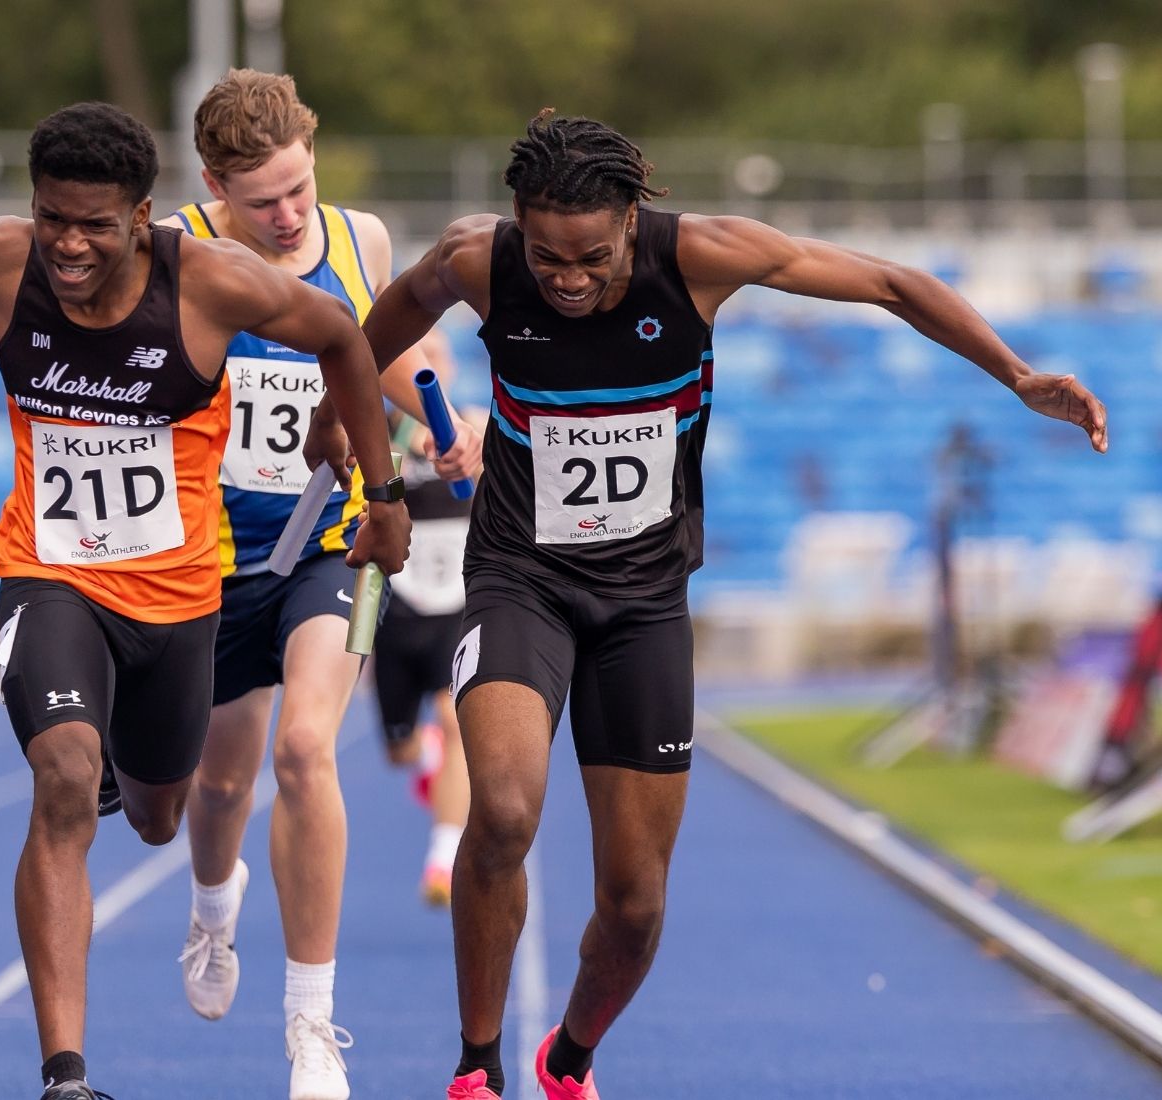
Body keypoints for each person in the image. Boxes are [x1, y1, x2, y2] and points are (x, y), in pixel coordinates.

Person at [357, 110, 1108, 1100]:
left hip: (642, 602)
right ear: (514, 227)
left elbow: (890, 283)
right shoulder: (473, 263)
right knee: (498, 808)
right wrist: (396, 444)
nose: (567, 279)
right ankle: (475, 1064)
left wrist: (1015, 374)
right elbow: (356, 344)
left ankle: (568, 1054)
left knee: (633, 903)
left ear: (634, 220)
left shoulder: (705, 257)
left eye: (590, 257)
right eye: (546, 257)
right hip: (518, 577)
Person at [0, 101, 410, 1100]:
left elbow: (342, 335)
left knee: (160, 814)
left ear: (141, 214)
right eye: (51, 218)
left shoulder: (208, 282)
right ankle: (65, 1074)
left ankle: (143, 786)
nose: (68, 244)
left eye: (93, 224)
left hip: (178, 592)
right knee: (65, 779)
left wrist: (384, 490)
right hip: (50, 572)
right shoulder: (2, 262)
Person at [161, 69, 479, 1100]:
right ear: (212, 185)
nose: (290, 215)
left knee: (306, 750)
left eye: (300, 188)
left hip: (331, 545)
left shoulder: (360, 240)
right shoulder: (171, 251)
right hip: (209, 556)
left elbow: (387, 349)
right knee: (214, 787)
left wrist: (442, 416)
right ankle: (214, 905)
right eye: (264, 202)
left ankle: (309, 1027)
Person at [371, 331, 477, 908]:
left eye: (434, 358)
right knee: (399, 750)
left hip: (456, 604)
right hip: (397, 608)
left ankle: (442, 860)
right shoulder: (379, 433)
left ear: (451, 367)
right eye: (414, 360)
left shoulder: (473, 425)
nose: (424, 370)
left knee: (455, 719)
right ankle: (424, 753)